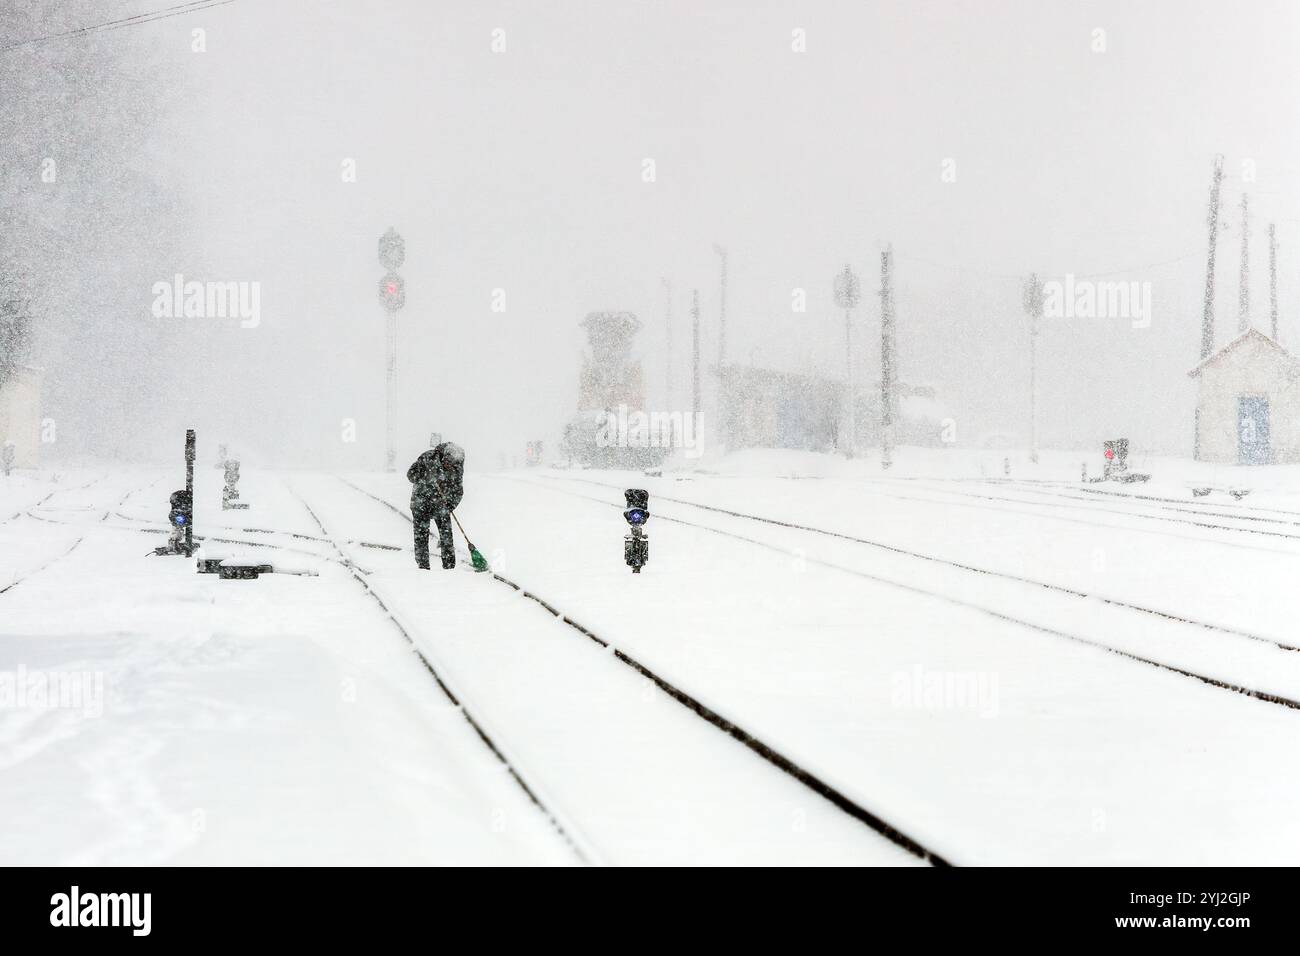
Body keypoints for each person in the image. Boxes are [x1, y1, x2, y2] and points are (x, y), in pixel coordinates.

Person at [406, 441, 465, 569]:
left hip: (441, 504)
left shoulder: (457, 466)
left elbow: (458, 490)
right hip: (421, 501)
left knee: (447, 536)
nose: (451, 466)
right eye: (449, 463)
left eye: (454, 464)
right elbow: (410, 475)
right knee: (421, 535)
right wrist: (425, 477)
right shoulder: (427, 458)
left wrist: (450, 505)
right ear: (444, 456)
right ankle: (423, 567)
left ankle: (449, 567)